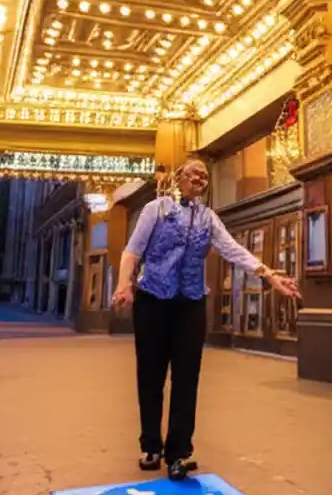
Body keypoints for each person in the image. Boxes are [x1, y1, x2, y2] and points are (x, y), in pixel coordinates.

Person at [112, 158, 301, 480]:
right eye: (193, 173)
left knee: (187, 378)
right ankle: (150, 446)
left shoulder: (208, 218)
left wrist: (269, 275)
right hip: (153, 300)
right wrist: (123, 285)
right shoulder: (155, 209)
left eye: (204, 175)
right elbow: (132, 250)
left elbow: (232, 249)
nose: (200, 178)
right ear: (178, 178)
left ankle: (178, 453)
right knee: (151, 375)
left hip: (191, 303)